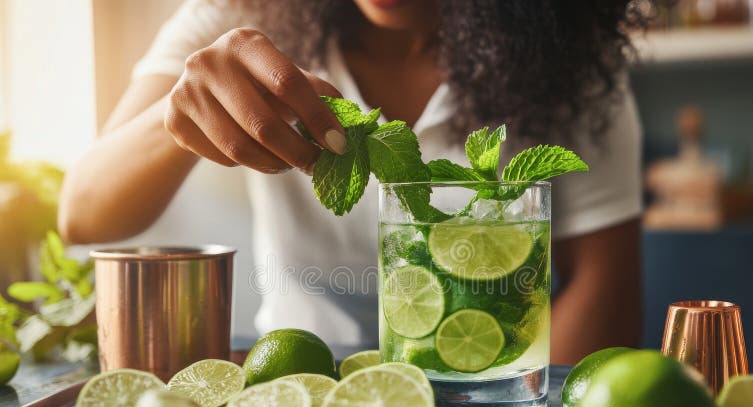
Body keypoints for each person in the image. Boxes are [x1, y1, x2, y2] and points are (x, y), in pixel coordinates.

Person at [59, 0, 648, 364]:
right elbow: (83, 212)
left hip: (475, 387)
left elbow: (603, 281)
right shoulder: (240, 11)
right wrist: (176, 113)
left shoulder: (566, 54)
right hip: (297, 381)